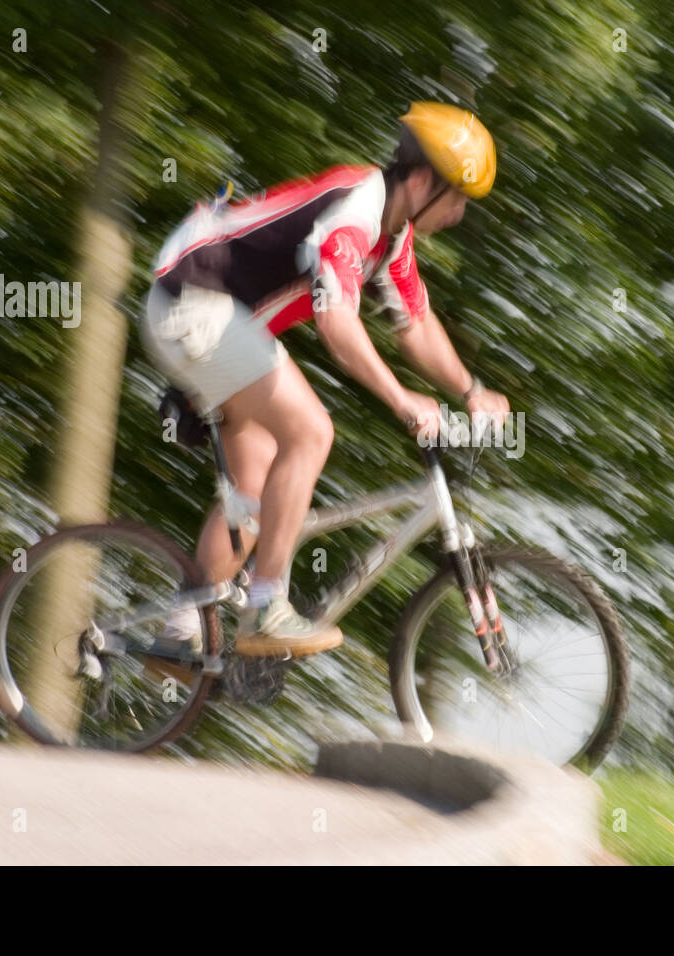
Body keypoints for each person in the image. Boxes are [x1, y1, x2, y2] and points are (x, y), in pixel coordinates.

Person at [140, 102, 511, 658]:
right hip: (191, 302)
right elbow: (337, 324)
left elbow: (416, 326)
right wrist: (401, 399)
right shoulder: (355, 212)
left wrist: (471, 391)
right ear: (422, 180)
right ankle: (267, 607)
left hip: (211, 316)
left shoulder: (391, 235)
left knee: (254, 491)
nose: (459, 214)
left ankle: (177, 640)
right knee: (312, 432)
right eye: (457, 196)